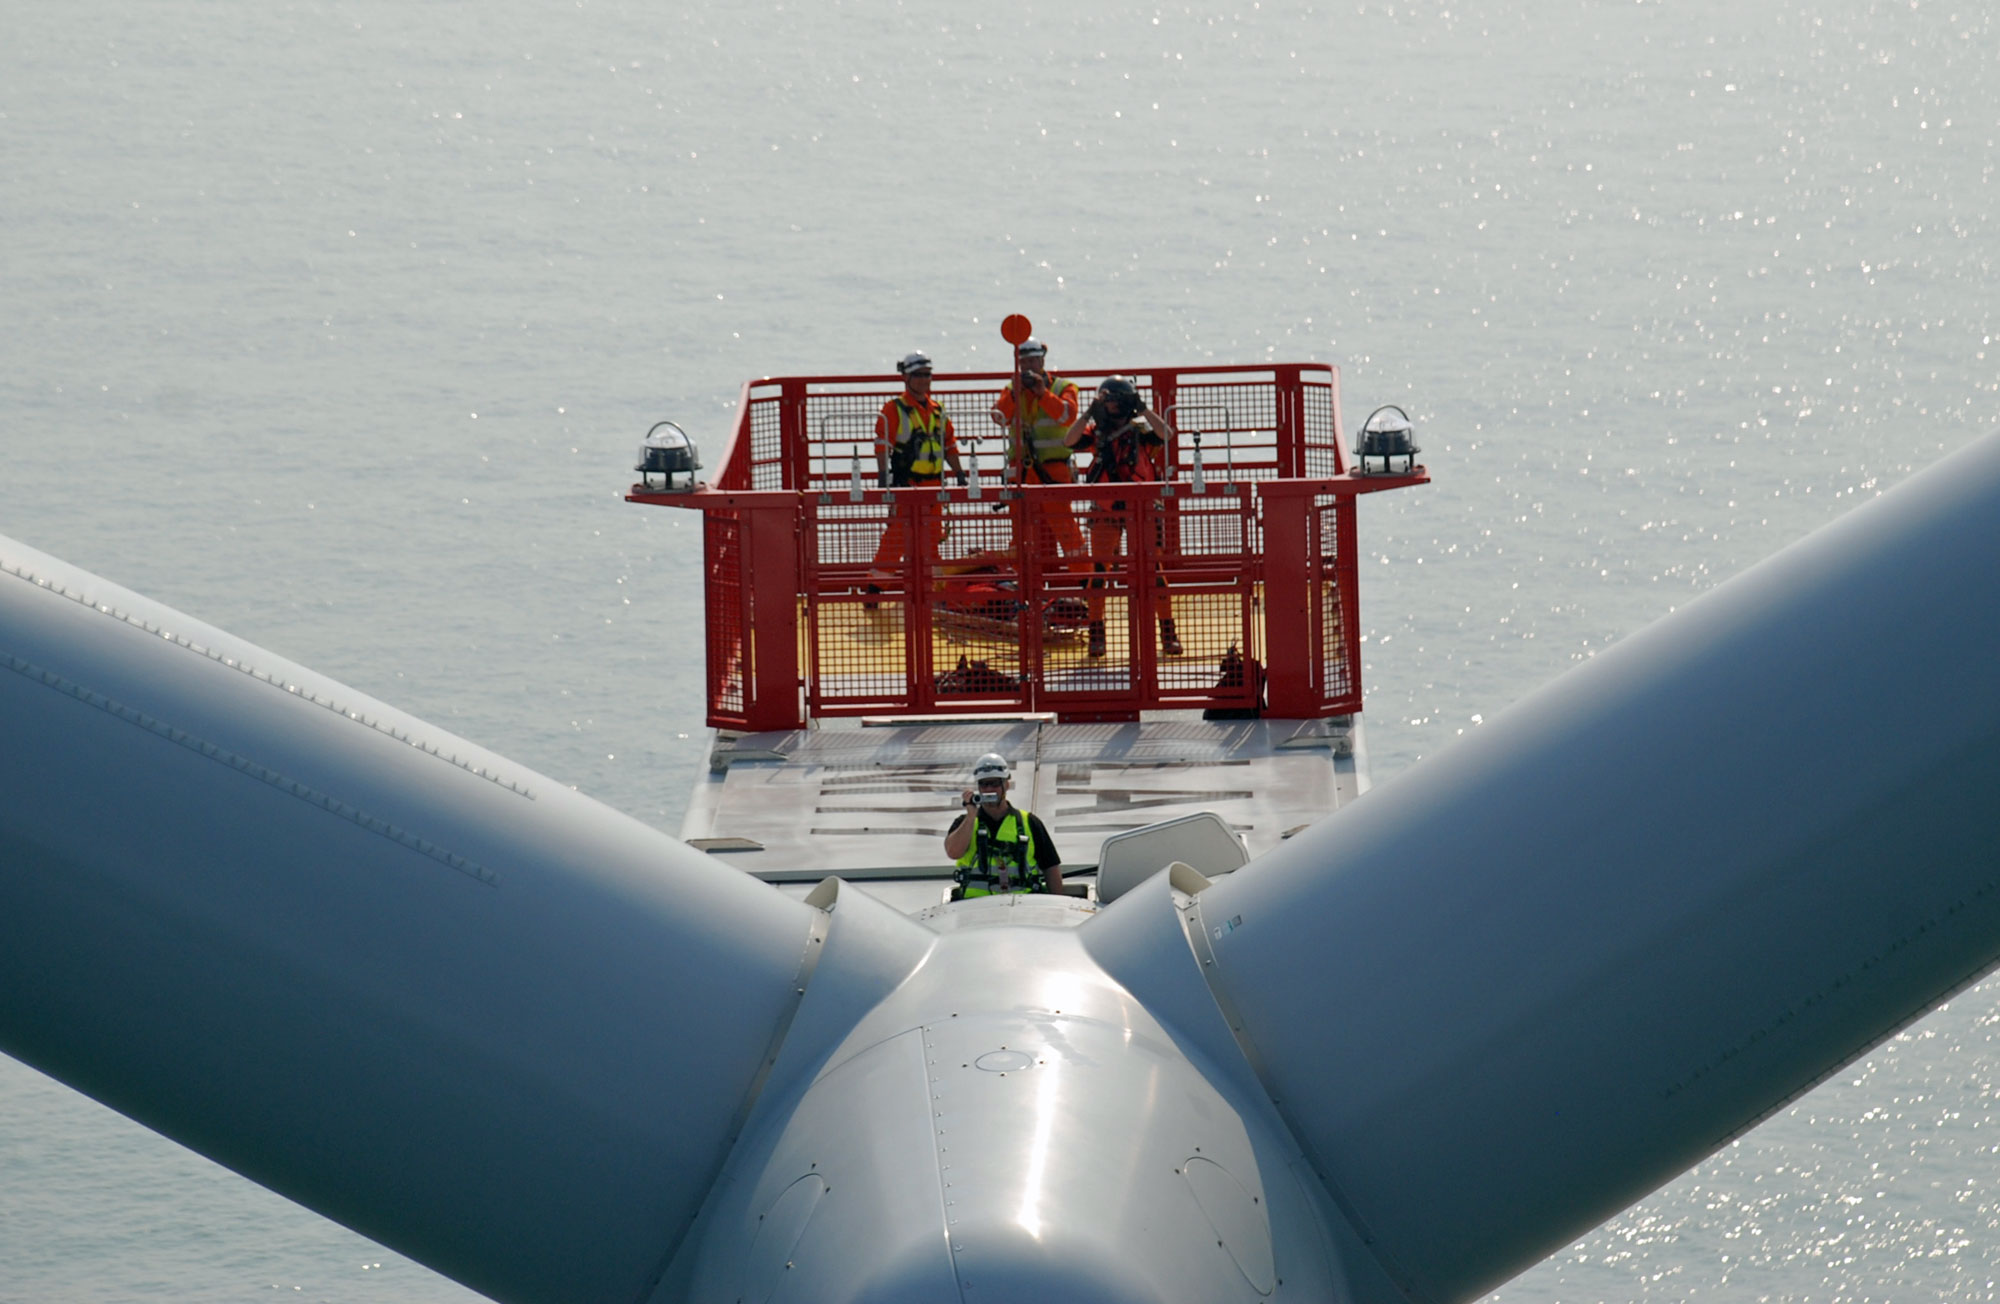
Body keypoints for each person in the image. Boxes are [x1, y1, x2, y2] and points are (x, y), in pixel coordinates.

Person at [1065, 375, 1181, 659]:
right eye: (1109, 401)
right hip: (1106, 512)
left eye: (1119, 400)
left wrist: (1144, 410)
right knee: (1099, 573)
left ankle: (1168, 635)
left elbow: (1167, 434)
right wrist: (1088, 413)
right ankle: (1097, 635)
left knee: (1155, 574)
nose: (1114, 406)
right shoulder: (1096, 433)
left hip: (1141, 511)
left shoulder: (1141, 431)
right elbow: (1069, 440)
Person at [867, 352, 964, 603]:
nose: (924, 380)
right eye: (919, 375)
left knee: (932, 539)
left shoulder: (937, 410)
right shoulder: (894, 409)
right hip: (907, 486)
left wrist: (960, 473)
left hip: (933, 486)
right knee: (897, 537)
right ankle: (875, 589)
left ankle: (933, 594)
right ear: (906, 377)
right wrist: (882, 477)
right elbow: (882, 444)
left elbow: (950, 445)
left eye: (927, 375)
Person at [988, 337, 1086, 569]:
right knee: (1023, 532)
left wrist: (1042, 393)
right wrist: (1014, 394)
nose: (1028, 367)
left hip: (1054, 471)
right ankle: (1031, 588)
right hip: (1021, 472)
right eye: (1024, 362)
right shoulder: (1012, 389)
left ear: (1042, 360)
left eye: (1033, 361)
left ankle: (1086, 583)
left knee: (1065, 529)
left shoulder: (1063, 387)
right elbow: (998, 417)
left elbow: (1067, 416)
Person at [942, 753, 1065, 898]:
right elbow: (953, 852)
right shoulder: (965, 822)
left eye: (994, 783)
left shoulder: (1030, 823)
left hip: (1023, 905)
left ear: (1006, 784)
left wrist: (1058, 906)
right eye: (984, 784)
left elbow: (1051, 868)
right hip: (975, 909)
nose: (989, 789)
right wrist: (970, 816)